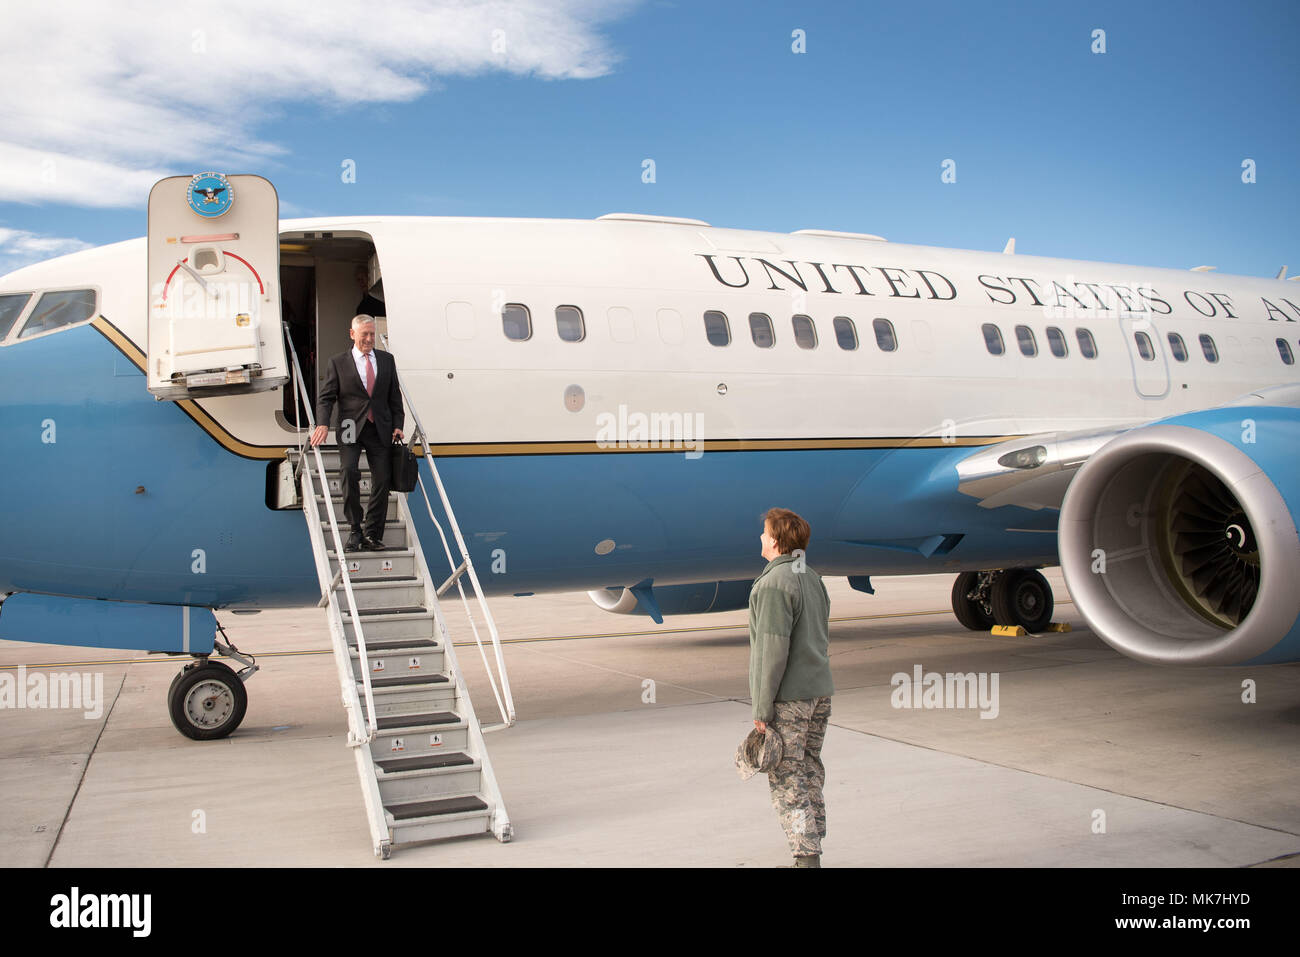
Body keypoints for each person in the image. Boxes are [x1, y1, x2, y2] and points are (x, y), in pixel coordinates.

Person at [748, 507, 834, 867]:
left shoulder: (773, 585)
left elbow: (771, 652)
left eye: (766, 533)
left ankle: (806, 857)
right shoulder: (812, 578)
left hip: (790, 700)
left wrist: (762, 709)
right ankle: (815, 843)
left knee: (788, 781)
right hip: (819, 694)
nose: (761, 538)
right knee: (809, 769)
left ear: (778, 541)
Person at [310, 315, 404, 552]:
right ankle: (355, 529)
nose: (370, 339)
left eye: (372, 334)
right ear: (352, 334)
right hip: (350, 426)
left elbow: (394, 396)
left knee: (382, 479)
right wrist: (322, 424)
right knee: (349, 470)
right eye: (365, 334)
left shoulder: (387, 360)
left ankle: (372, 533)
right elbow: (326, 398)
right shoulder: (338, 362)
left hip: (380, 427)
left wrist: (398, 423)